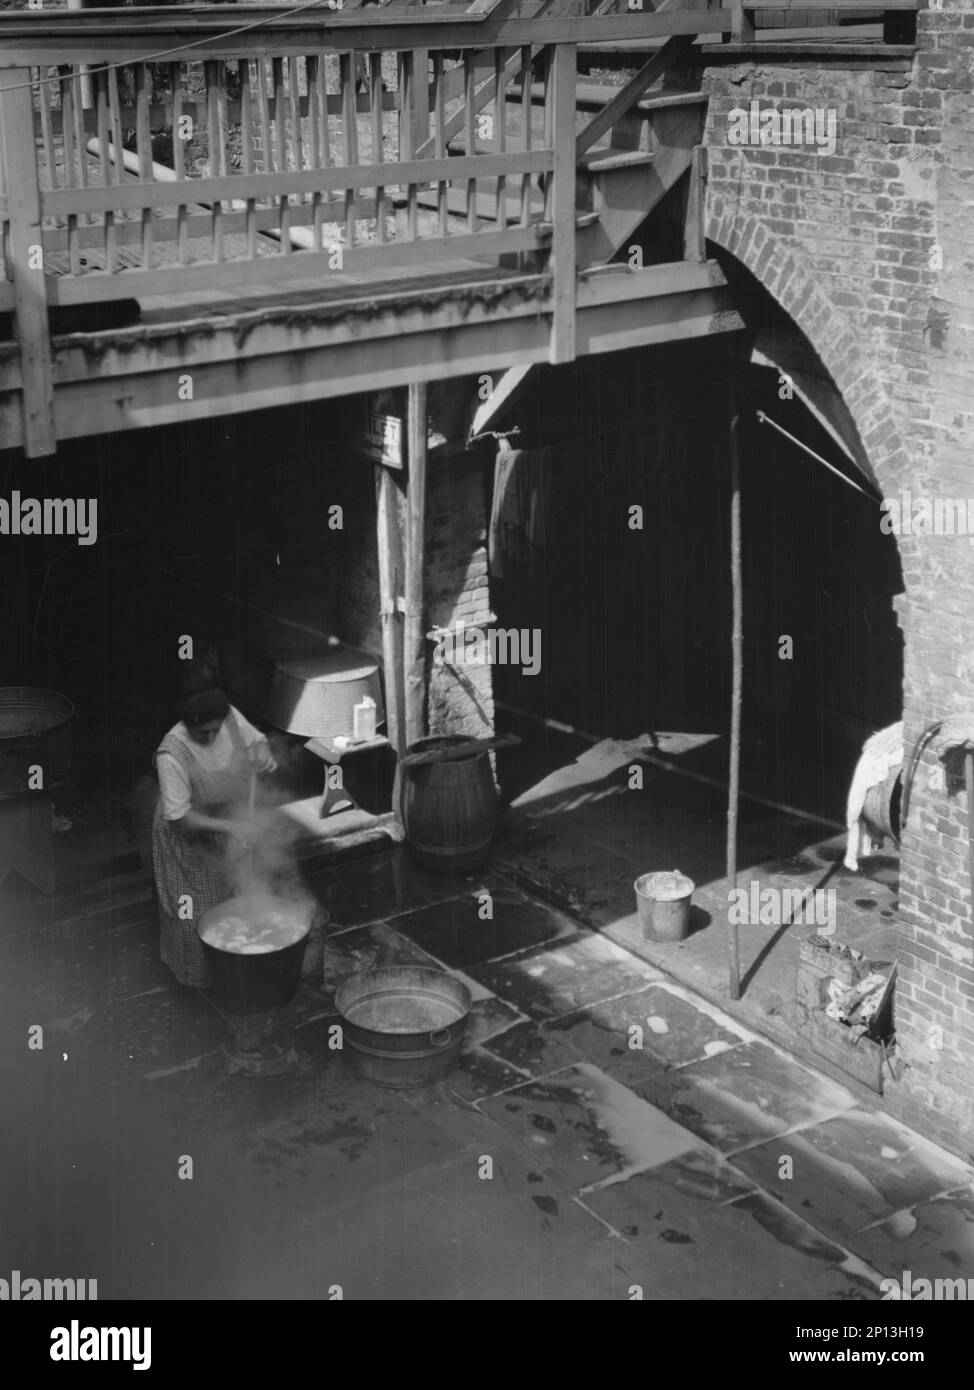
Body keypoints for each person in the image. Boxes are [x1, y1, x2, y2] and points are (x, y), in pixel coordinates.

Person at [152, 684, 277, 989]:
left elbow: (255, 742)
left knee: (234, 894)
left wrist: (263, 752)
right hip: (188, 837)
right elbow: (181, 817)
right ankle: (200, 982)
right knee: (195, 912)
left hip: (226, 823)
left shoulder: (229, 718)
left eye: (214, 730)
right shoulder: (171, 754)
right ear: (187, 724)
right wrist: (235, 829)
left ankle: (237, 969)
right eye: (202, 733)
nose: (210, 738)